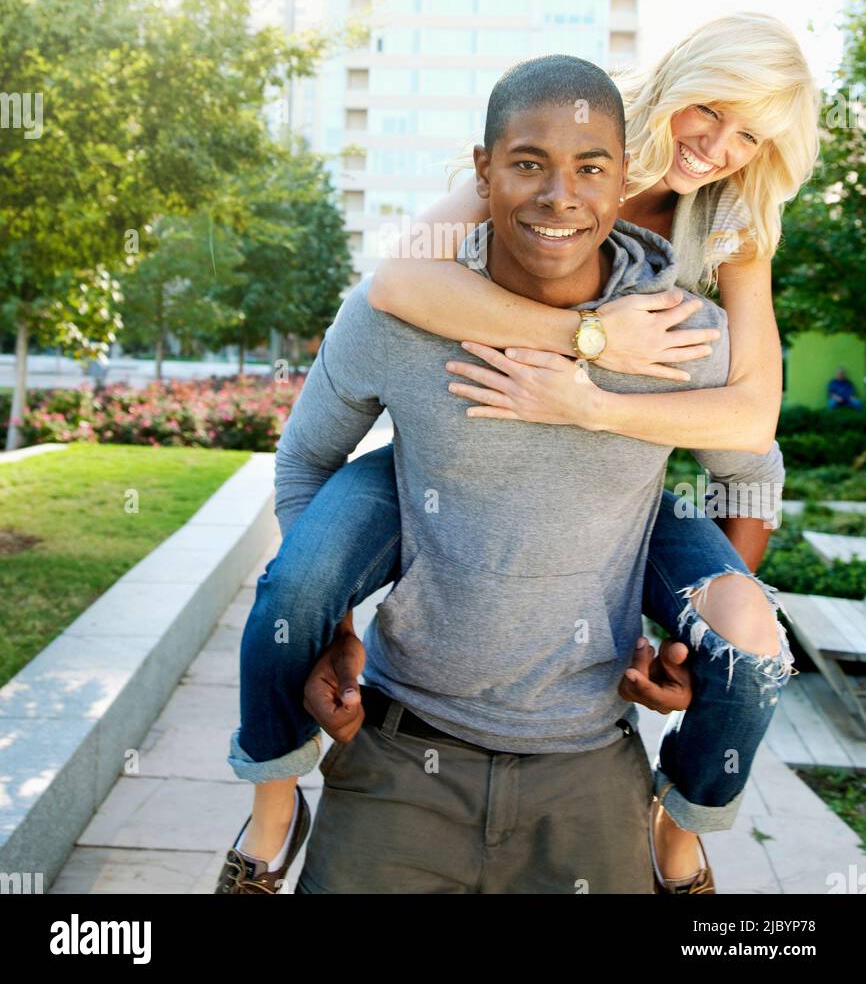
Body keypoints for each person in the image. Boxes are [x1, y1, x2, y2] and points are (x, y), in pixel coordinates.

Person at [217, 53, 788, 895]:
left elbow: (751, 462)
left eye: (591, 169)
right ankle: (271, 812)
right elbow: (307, 457)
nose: (560, 197)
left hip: (588, 777)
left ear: (625, 177)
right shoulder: (404, 310)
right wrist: (331, 621)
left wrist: (697, 641)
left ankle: (683, 835)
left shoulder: (681, 333)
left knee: (752, 636)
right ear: (483, 170)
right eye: (528, 165)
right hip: (397, 759)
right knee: (290, 588)